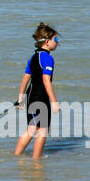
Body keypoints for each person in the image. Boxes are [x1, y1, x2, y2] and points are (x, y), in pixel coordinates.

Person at [14, 23, 60, 158]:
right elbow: (46, 81)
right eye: (55, 40)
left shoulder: (33, 57)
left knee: (31, 129)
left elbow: (25, 78)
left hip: (31, 97)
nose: (57, 43)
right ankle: (36, 160)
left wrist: (21, 97)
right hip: (41, 98)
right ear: (47, 42)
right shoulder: (47, 58)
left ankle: (16, 156)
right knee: (43, 131)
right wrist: (54, 101)